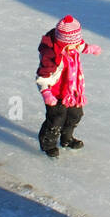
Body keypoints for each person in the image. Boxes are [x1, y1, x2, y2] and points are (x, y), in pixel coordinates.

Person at [34, 15, 102, 157]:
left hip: (72, 92)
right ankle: (48, 144)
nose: (77, 46)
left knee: (75, 115)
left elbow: (80, 45)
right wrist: (46, 93)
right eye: (74, 44)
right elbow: (42, 77)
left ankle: (66, 138)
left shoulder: (72, 43)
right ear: (63, 42)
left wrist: (91, 49)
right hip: (55, 94)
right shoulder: (51, 55)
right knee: (56, 119)